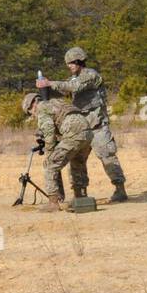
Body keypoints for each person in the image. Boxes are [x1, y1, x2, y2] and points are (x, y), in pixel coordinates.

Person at [35, 46, 128, 203]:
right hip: (81, 128)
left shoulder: (91, 75)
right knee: (76, 161)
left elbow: (75, 86)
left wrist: (51, 82)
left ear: (79, 61)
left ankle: (120, 189)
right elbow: (65, 90)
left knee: (107, 156)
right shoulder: (72, 79)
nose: (69, 66)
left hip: (97, 125)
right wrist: (45, 87)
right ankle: (80, 194)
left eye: (71, 63)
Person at [21, 92, 87, 212]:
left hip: (73, 132)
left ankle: (53, 203)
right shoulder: (56, 102)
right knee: (77, 163)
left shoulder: (41, 108)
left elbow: (49, 131)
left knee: (50, 164)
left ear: (32, 105)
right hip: (87, 131)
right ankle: (80, 197)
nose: (32, 114)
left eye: (29, 111)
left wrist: (49, 151)